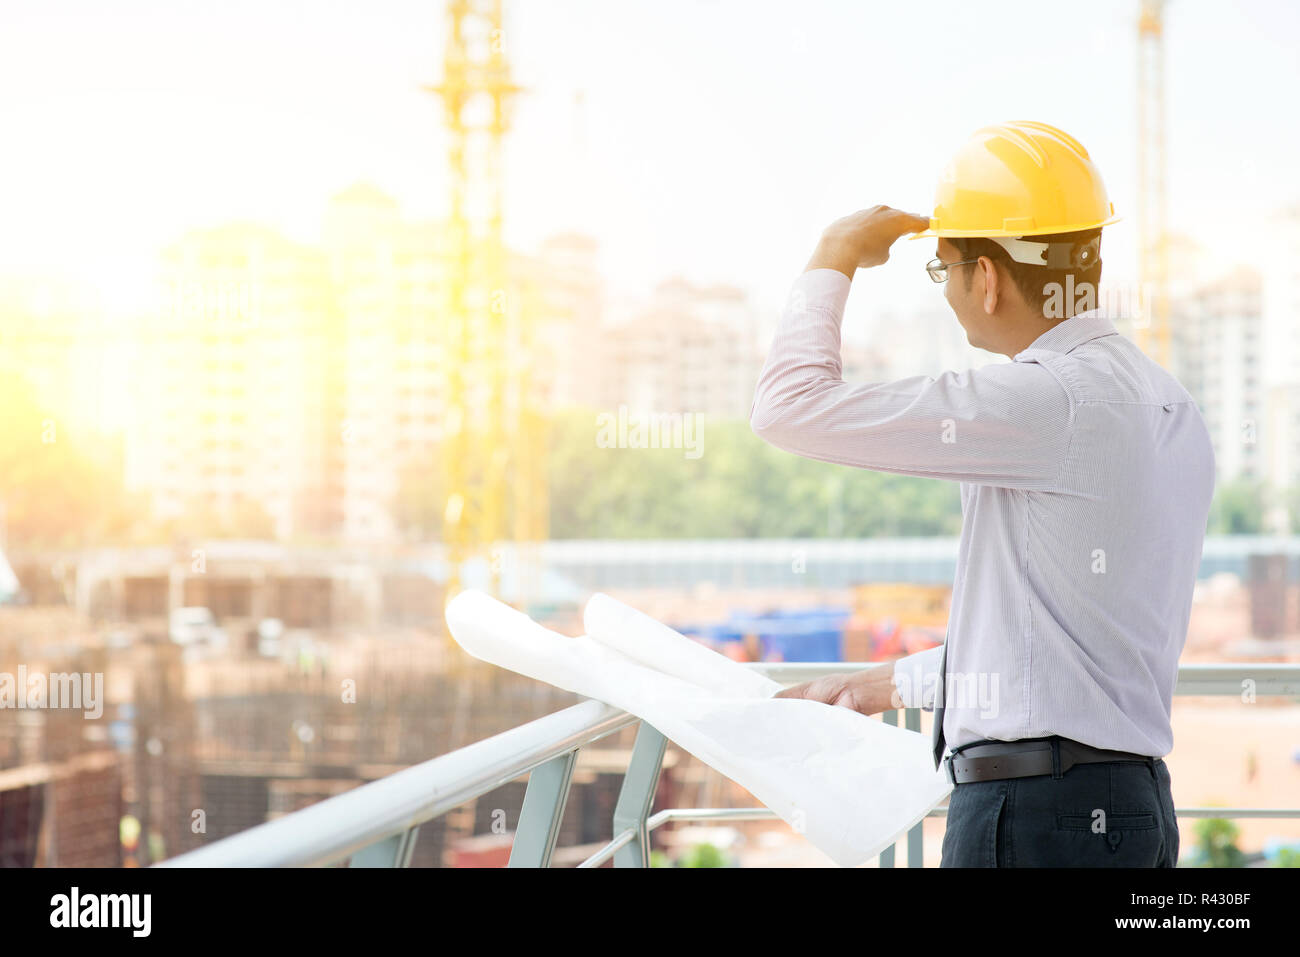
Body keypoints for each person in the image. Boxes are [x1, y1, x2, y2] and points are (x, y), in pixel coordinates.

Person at [752, 121, 1215, 867]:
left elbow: (787, 406)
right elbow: (1062, 652)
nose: (951, 291)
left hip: (1032, 819)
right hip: (1135, 812)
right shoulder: (1171, 406)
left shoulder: (1041, 400)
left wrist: (833, 254)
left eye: (945, 270)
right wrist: (880, 683)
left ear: (989, 278)